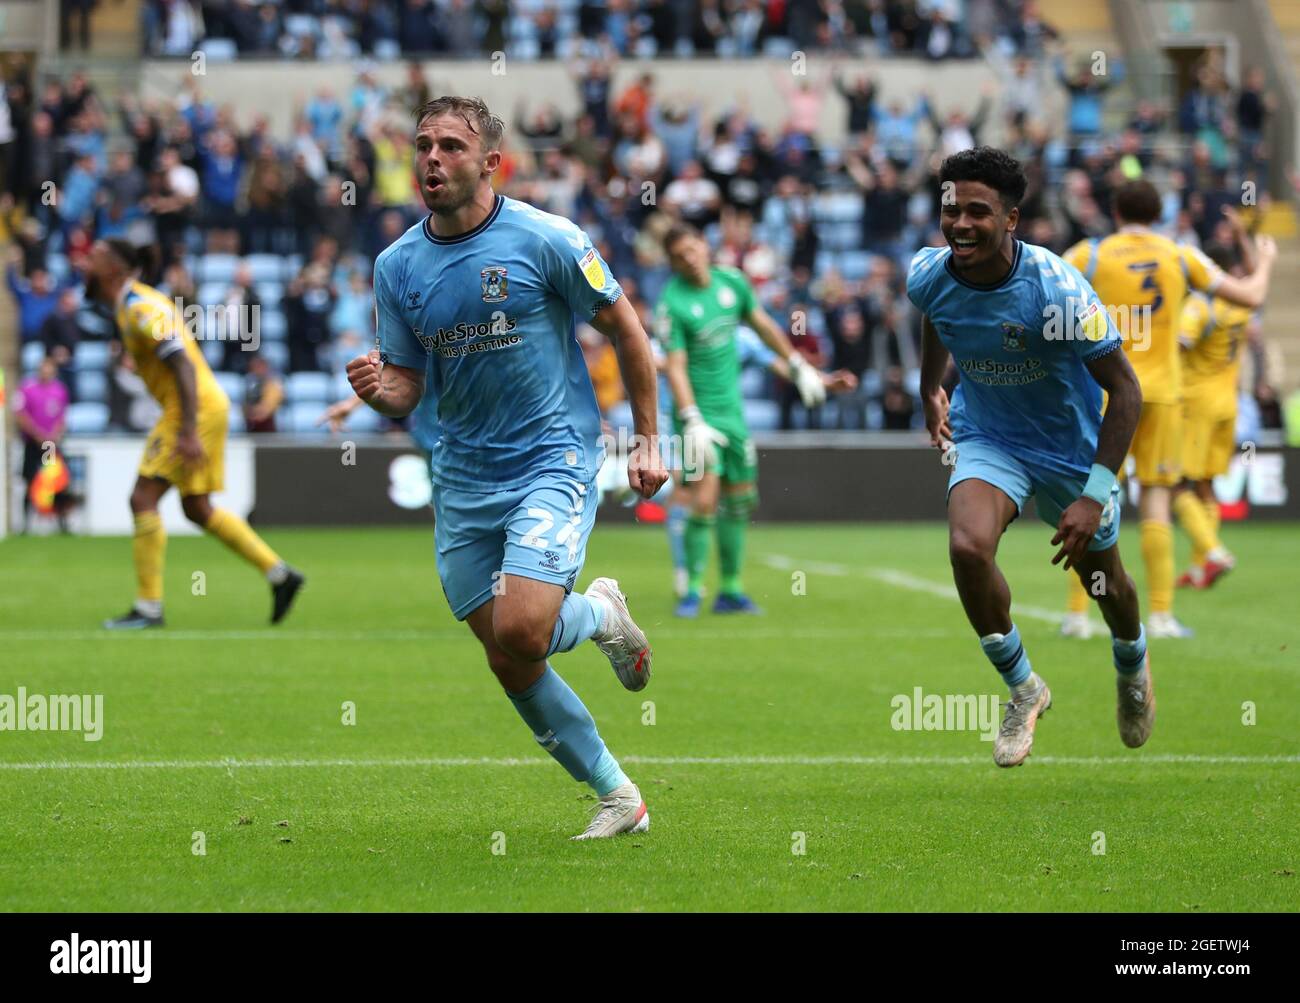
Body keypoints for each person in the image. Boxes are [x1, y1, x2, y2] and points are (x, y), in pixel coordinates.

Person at [345, 96, 668, 840]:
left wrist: (649, 439)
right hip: (461, 477)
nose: (432, 158)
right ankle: (620, 795)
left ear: (491, 162)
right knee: (508, 658)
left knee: (525, 629)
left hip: (550, 458)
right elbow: (406, 385)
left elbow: (624, 324)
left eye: (451, 146)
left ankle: (596, 616)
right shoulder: (396, 267)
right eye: (423, 144)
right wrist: (378, 389)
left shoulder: (549, 238)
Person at [910, 147, 1148, 768]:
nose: (960, 223)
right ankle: (1024, 687)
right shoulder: (928, 274)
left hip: (1069, 453)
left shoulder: (1057, 289)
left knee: (1108, 586)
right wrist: (930, 388)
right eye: (951, 210)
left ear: (1011, 219)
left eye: (978, 213)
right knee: (967, 548)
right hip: (988, 438)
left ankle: (1131, 662)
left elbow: (1125, 390)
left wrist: (1094, 494)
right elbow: (938, 317)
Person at [1058, 182, 1277, 639]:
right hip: (1164, 395)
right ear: (1160, 213)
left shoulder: (1089, 255)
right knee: (1158, 498)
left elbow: (1039, 293)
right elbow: (1251, 296)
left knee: (1092, 501)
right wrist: (1267, 260)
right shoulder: (1182, 255)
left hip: (1105, 394)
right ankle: (1159, 615)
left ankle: (1077, 616)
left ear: (1115, 209)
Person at [85, 239, 305, 629]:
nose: (86, 263)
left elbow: (182, 363)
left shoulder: (140, 307)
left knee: (142, 497)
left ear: (114, 270)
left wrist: (187, 430)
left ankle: (148, 608)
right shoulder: (131, 304)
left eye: (95, 258)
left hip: (192, 409)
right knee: (197, 507)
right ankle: (280, 575)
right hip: (204, 405)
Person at [655, 222, 836, 617]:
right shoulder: (672, 303)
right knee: (704, 499)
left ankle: (731, 590)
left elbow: (764, 326)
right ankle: (693, 591)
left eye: (693, 249)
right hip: (696, 418)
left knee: (740, 499)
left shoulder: (732, 283)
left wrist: (797, 365)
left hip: (733, 416)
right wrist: (691, 418)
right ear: (671, 263)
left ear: (705, 245)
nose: (690, 258)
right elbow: (676, 367)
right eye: (680, 256)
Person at [1173, 222, 1259, 589]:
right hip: (1229, 404)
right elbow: (1257, 275)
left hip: (1196, 404)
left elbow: (1180, 345)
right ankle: (1198, 570)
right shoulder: (1241, 302)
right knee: (1205, 485)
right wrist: (1244, 239)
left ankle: (1213, 550)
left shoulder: (1200, 304)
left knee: (1175, 483)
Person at [15, 355, 71, 532]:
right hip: (33, 443)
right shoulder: (27, 389)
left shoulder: (59, 390)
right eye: (43, 368)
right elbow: (21, 415)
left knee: (56, 480)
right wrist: (37, 434)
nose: (46, 372)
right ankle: (25, 525)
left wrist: (55, 434)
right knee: (30, 480)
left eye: (49, 368)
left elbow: (62, 416)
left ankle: (62, 523)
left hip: (50, 445)